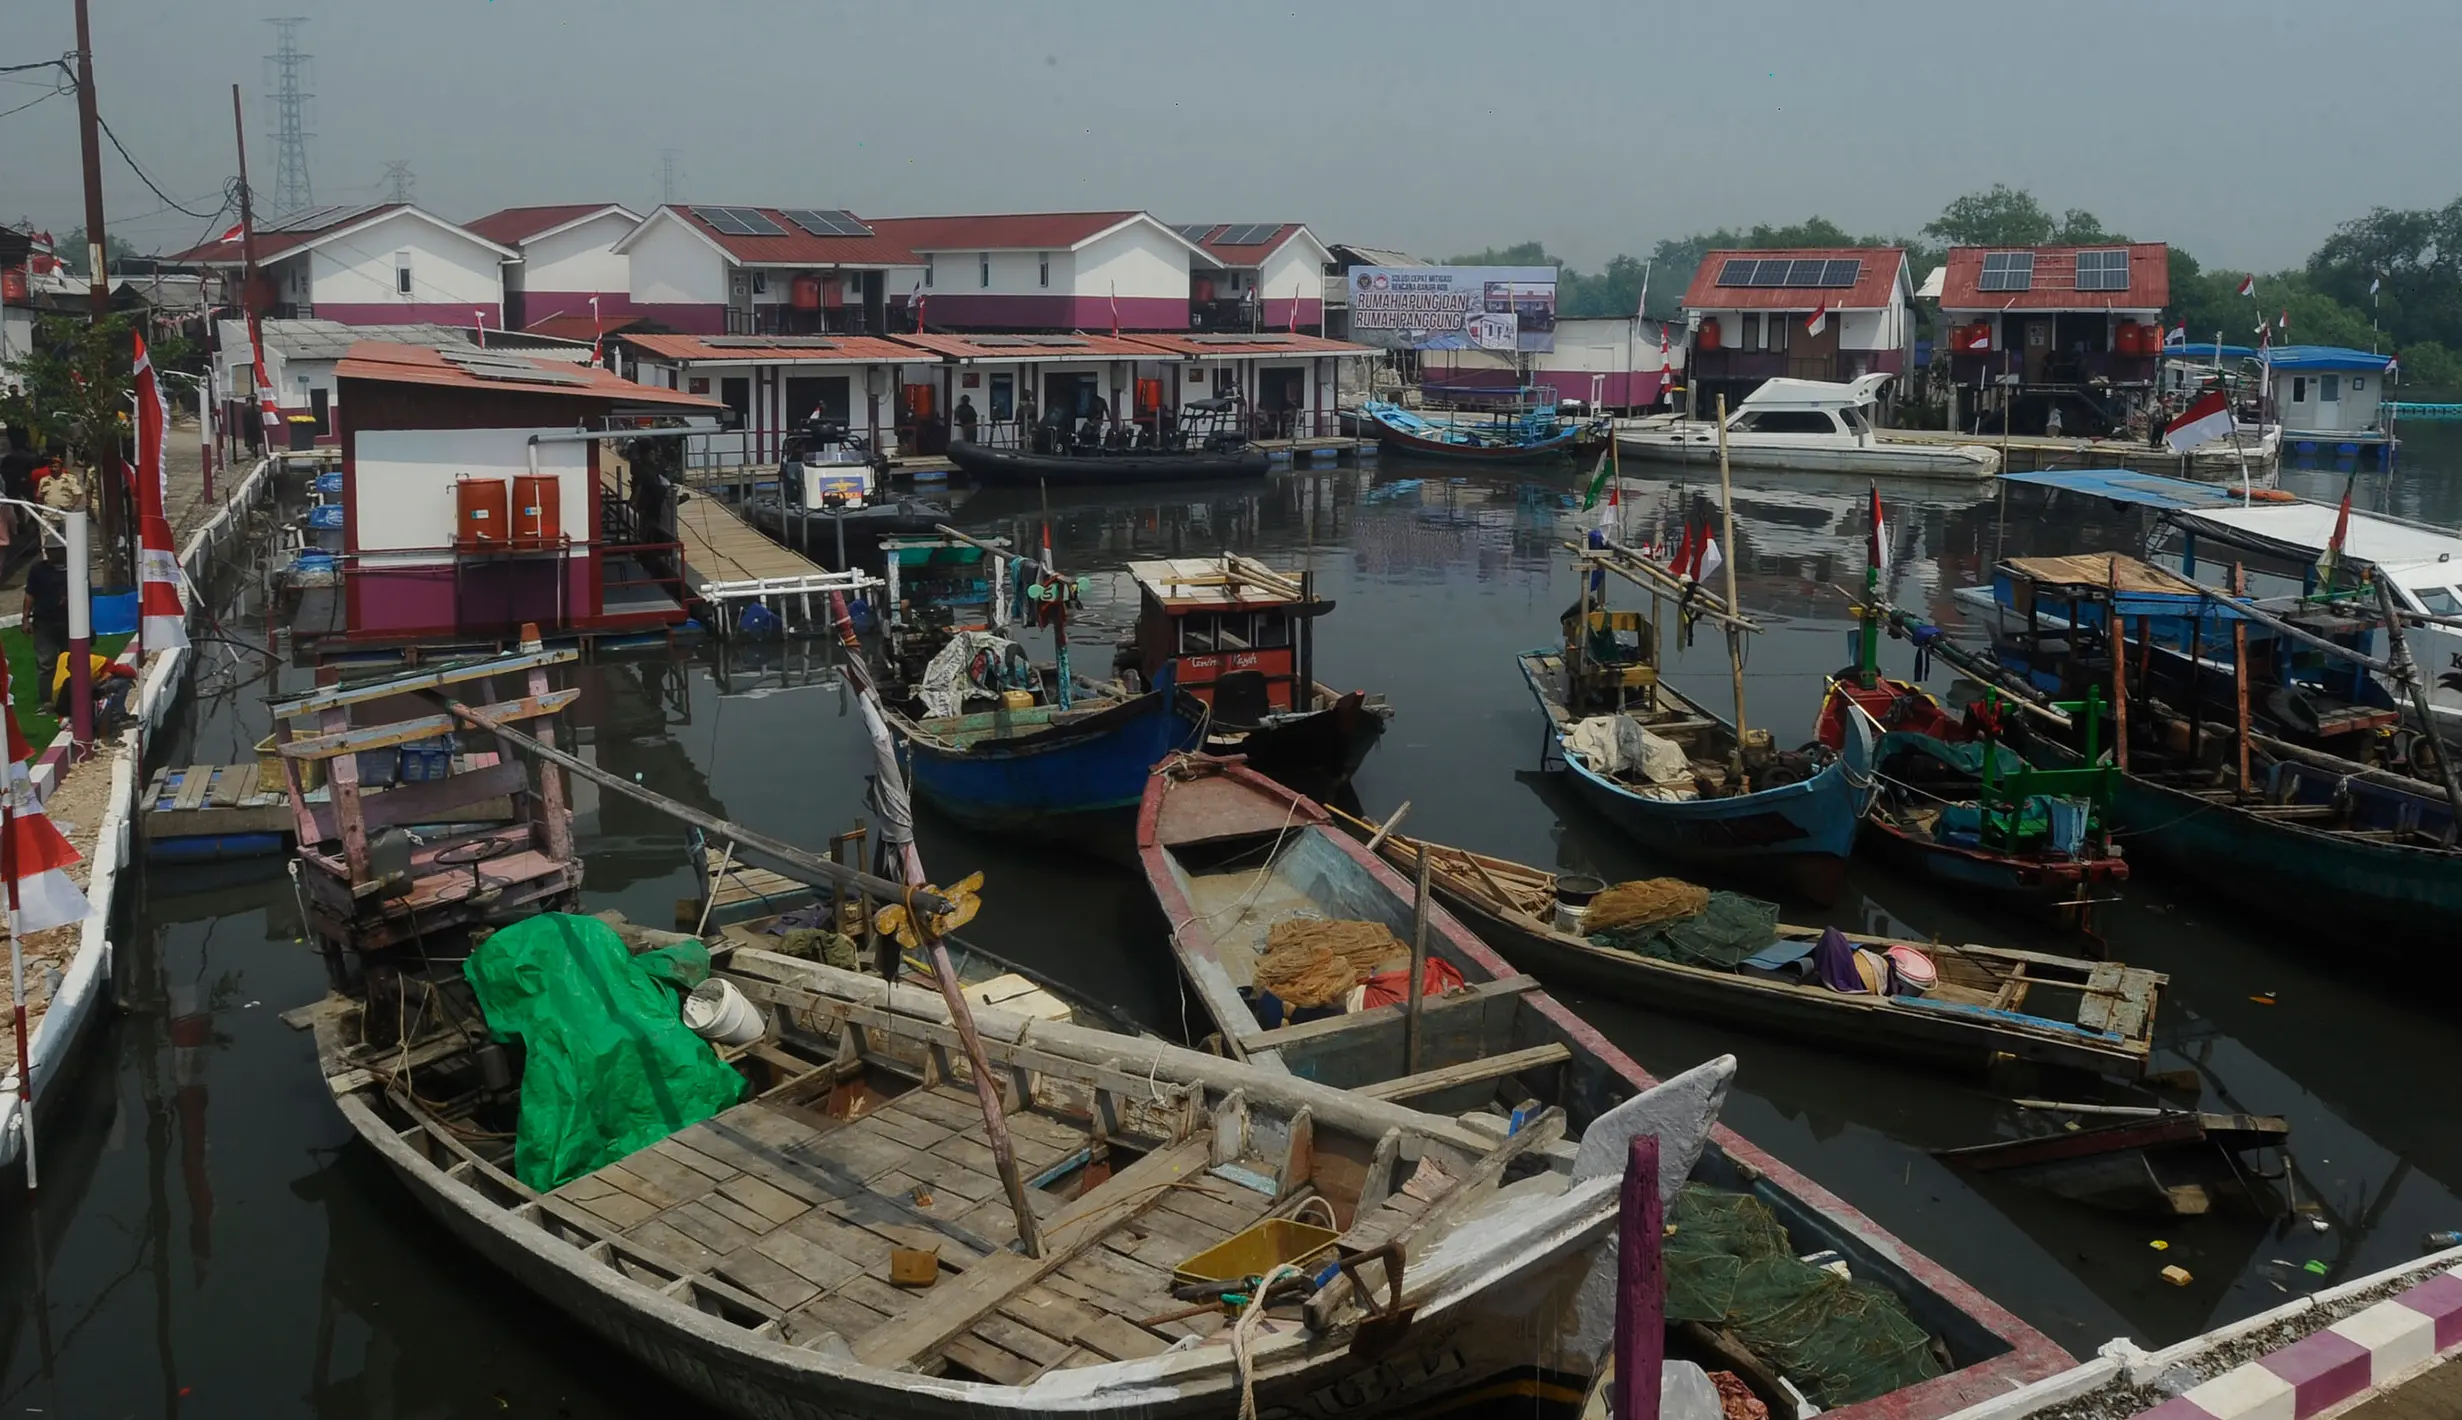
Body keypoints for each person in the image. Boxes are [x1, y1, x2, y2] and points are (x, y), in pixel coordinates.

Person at [50, 650, 135, 728]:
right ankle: (118, 717)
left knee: (113, 688)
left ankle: (116, 716)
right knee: (121, 684)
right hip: (87, 720)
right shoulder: (81, 681)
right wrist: (105, 689)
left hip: (75, 717)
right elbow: (95, 695)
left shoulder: (68, 681)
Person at [22, 545, 68, 680]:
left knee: (72, 661)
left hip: (70, 622)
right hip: (44, 622)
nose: (50, 554)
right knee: (46, 663)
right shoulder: (38, 570)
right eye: (49, 550)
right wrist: (25, 618)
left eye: (54, 550)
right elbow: (29, 594)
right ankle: (48, 698)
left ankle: (69, 695)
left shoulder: (76, 567)